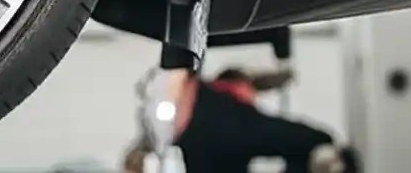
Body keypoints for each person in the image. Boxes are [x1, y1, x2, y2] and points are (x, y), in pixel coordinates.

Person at [125, 67, 358, 173]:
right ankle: (322, 153)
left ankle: (324, 152)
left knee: (261, 133)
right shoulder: (224, 91)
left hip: (213, 124)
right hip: (201, 139)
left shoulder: (224, 95)